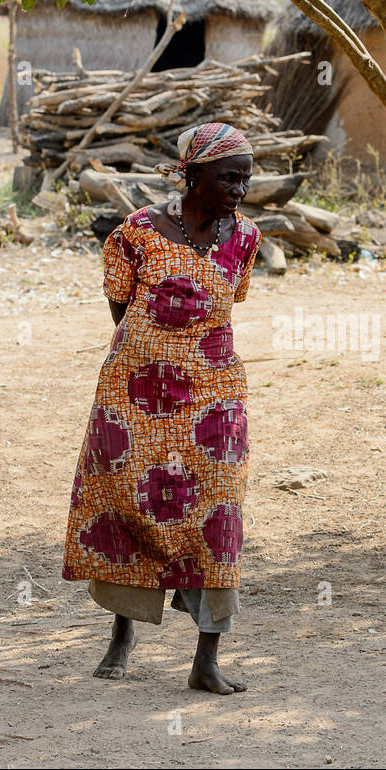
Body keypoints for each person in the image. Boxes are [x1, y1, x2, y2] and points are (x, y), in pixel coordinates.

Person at [63, 122, 262, 695]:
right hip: (135, 395)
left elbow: (230, 303)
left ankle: (206, 659)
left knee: (218, 513)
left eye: (246, 179)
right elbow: (120, 308)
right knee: (131, 501)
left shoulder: (244, 237)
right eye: (229, 177)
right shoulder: (135, 234)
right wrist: (154, 364)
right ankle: (123, 630)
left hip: (215, 397)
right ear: (191, 173)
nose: (239, 189)